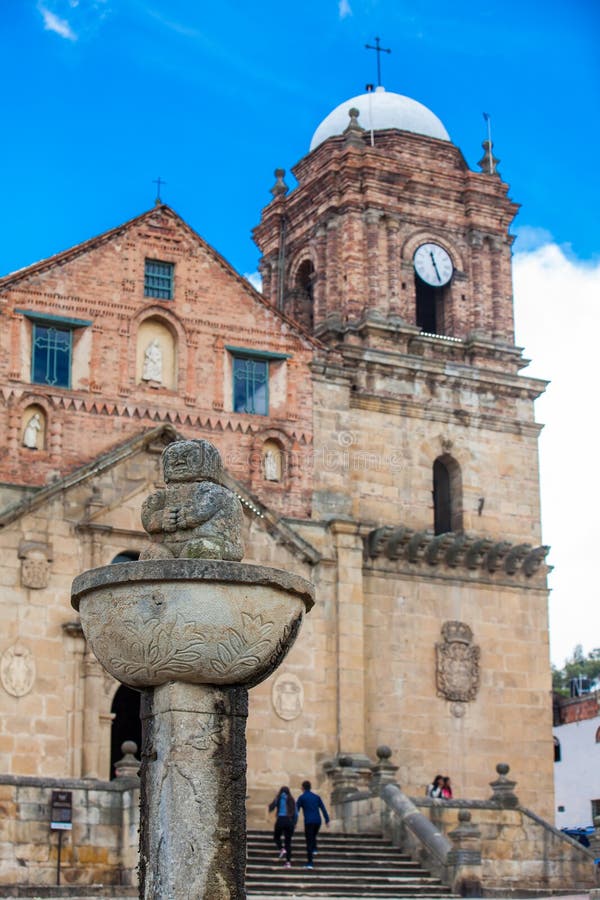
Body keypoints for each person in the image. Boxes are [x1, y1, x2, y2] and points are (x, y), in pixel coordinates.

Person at [296, 780, 329, 869]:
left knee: (309, 841)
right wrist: (327, 819)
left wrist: (294, 822)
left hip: (309, 822)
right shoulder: (316, 797)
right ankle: (315, 849)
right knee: (313, 836)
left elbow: (296, 811)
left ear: (302, 788)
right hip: (318, 821)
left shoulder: (302, 797)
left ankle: (310, 863)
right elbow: (323, 809)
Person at [268, 786, 296, 868]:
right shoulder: (291, 799)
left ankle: (281, 849)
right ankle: (288, 862)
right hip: (289, 821)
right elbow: (295, 813)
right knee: (288, 842)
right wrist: (294, 822)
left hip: (280, 820)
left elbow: (271, 807)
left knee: (276, 837)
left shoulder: (278, 798)